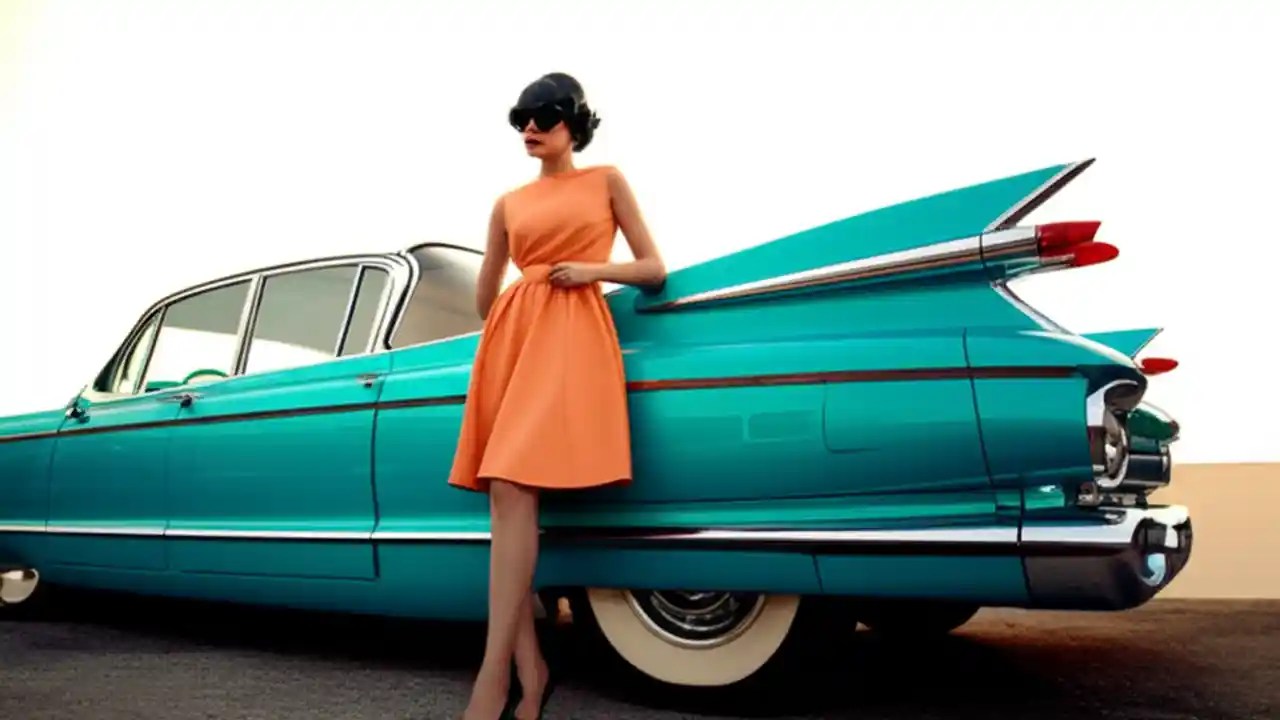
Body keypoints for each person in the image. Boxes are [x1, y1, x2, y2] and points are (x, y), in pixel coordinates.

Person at [447, 72, 667, 720]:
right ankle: (530, 669)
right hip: (515, 338)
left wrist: (590, 272)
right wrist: (516, 291)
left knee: (513, 489)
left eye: (543, 116)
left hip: (573, 333)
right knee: (505, 498)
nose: (530, 128)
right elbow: (486, 298)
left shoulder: (606, 180)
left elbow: (654, 269)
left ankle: (493, 677)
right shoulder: (507, 203)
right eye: (521, 118)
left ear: (574, 121)